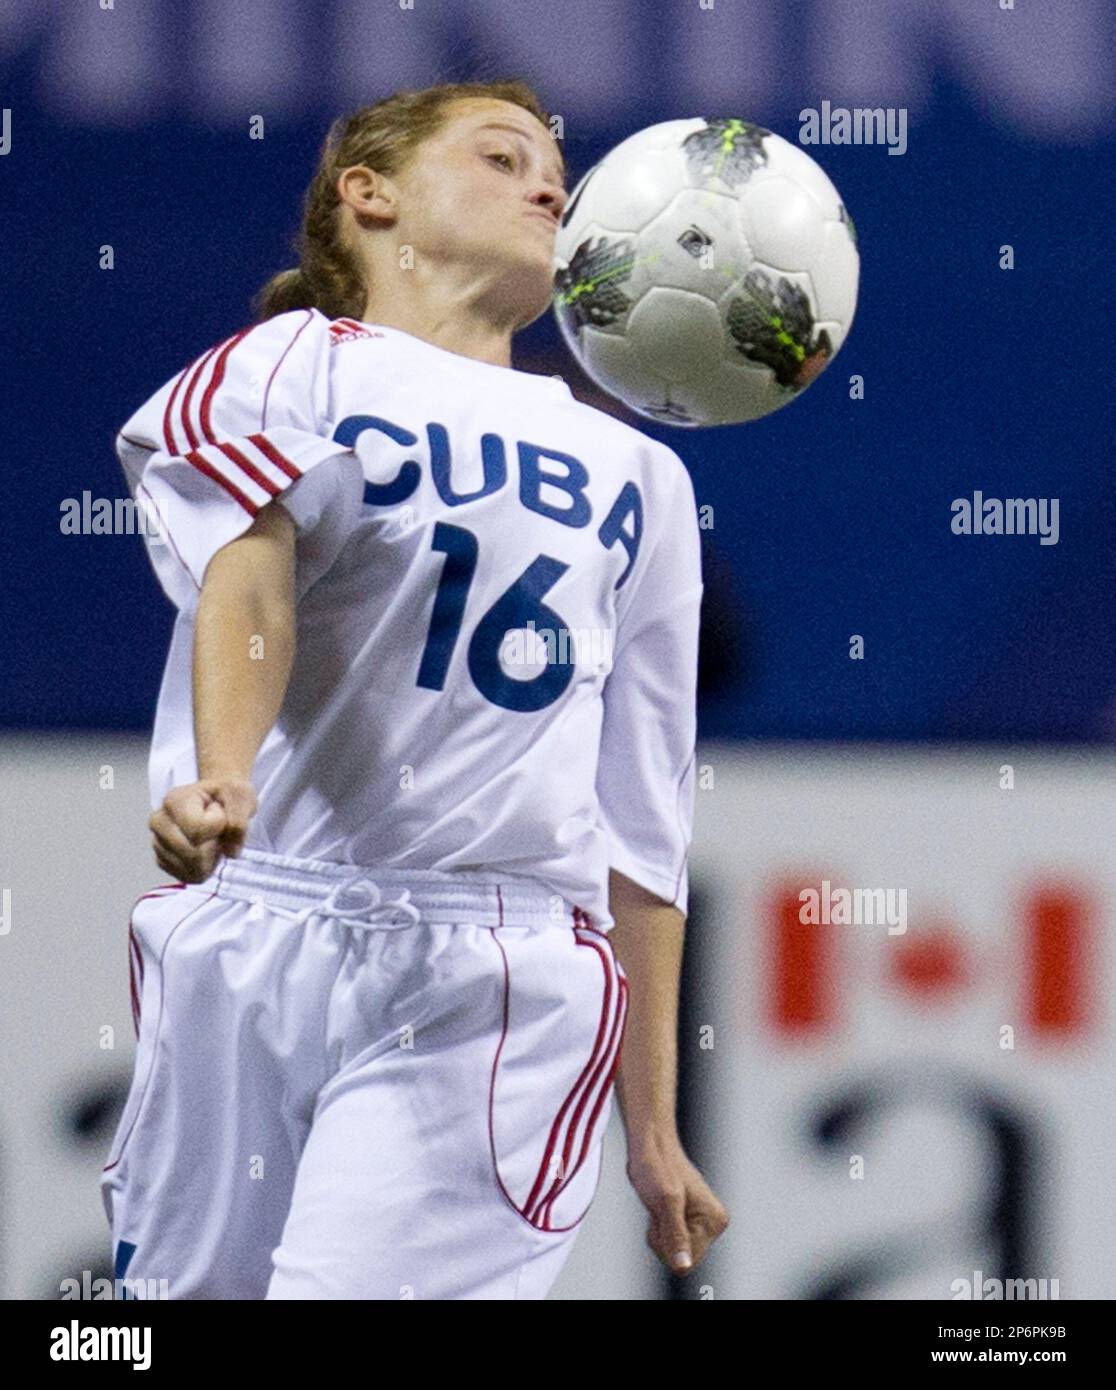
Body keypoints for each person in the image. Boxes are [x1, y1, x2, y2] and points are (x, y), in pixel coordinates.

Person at [102, 77, 728, 1300]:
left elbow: (644, 822)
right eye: (503, 158)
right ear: (368, 194)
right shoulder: (291, 364)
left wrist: (649, 1122)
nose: (550, 185)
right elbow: (253, 574)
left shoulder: (641, 473)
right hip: (254, 921)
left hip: (493, 970)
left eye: (556, 172)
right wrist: (220, 774)